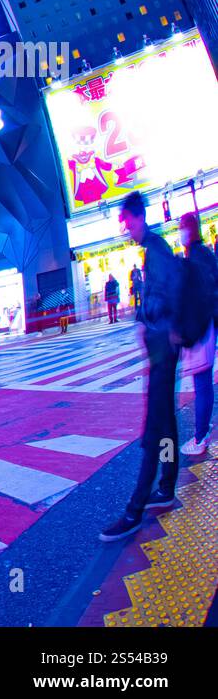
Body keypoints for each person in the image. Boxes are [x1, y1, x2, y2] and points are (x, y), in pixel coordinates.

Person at [100, 191, 183, 542]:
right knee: (164, 422)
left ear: (137, 218)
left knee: (153, 427)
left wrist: (150, 322)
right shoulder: (155, 249)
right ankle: (165, 485)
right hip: (162, 345)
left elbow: (168, 296)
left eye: (126, 222)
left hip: (163, 347)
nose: (125, 228)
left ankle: (134, 510)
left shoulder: (158, 252)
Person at [179, 212, 215, 456]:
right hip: (208, 323)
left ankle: (200, 437)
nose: (180, 232)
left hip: (202, 327)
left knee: (201, 383)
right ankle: (203, 430)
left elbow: (199, 295)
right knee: (204, 383)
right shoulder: (204, 253)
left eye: (182, 227)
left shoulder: (196, 256)